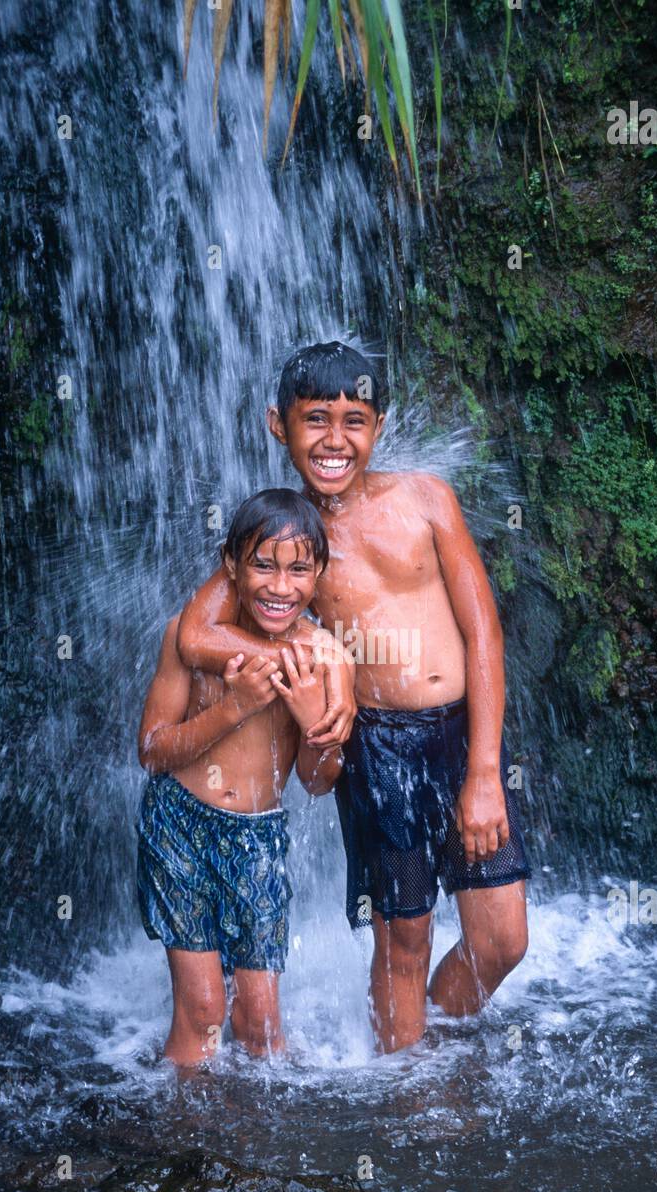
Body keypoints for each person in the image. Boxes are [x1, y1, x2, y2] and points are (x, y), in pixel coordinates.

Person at [177, 342, 532, 1053]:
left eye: (354, 420)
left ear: (379, 424)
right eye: (316, 420)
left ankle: (437, 1031)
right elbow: (195, 633)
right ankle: (408, 1085)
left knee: (501, 940)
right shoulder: (286, 537)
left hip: (462, 735)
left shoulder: (427, 500)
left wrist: (486, 771)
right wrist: (301, 655)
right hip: (374, 749)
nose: (334, 440)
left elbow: (483, 633)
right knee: (404, 938)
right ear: (279, 426)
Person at [136, 488, 344, 1066]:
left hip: (258, 838)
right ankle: (181, 1146)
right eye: (262, 566)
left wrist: (315, 728)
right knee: (203, 1012)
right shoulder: (190, 635)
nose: (280, 587)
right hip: (180, 824)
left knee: (259, 1023)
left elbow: (319, 782)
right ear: (232, 565)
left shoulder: (319, 657)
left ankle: (255, 1148)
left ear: (318, 572)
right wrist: (234, 705)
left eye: (298, 569)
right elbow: (152, 752)